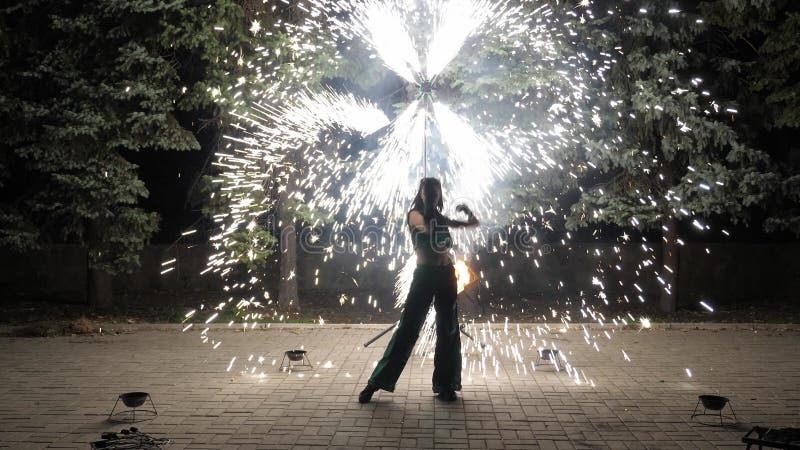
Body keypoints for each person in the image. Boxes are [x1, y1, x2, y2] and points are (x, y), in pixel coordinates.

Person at [358, 178, 480, 403]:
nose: (433, 196)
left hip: (446, 276)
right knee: (408, 329)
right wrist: (437, 222)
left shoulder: (441, 218)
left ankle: (446, 385)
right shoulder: (415, 214)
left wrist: (467, 212)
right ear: (421, 194)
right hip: (424, 276)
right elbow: (424, 229)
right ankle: (375, 383)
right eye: (429, 192)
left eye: (436, 192)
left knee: (448, 329)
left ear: (439, 195)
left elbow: (472, 224)